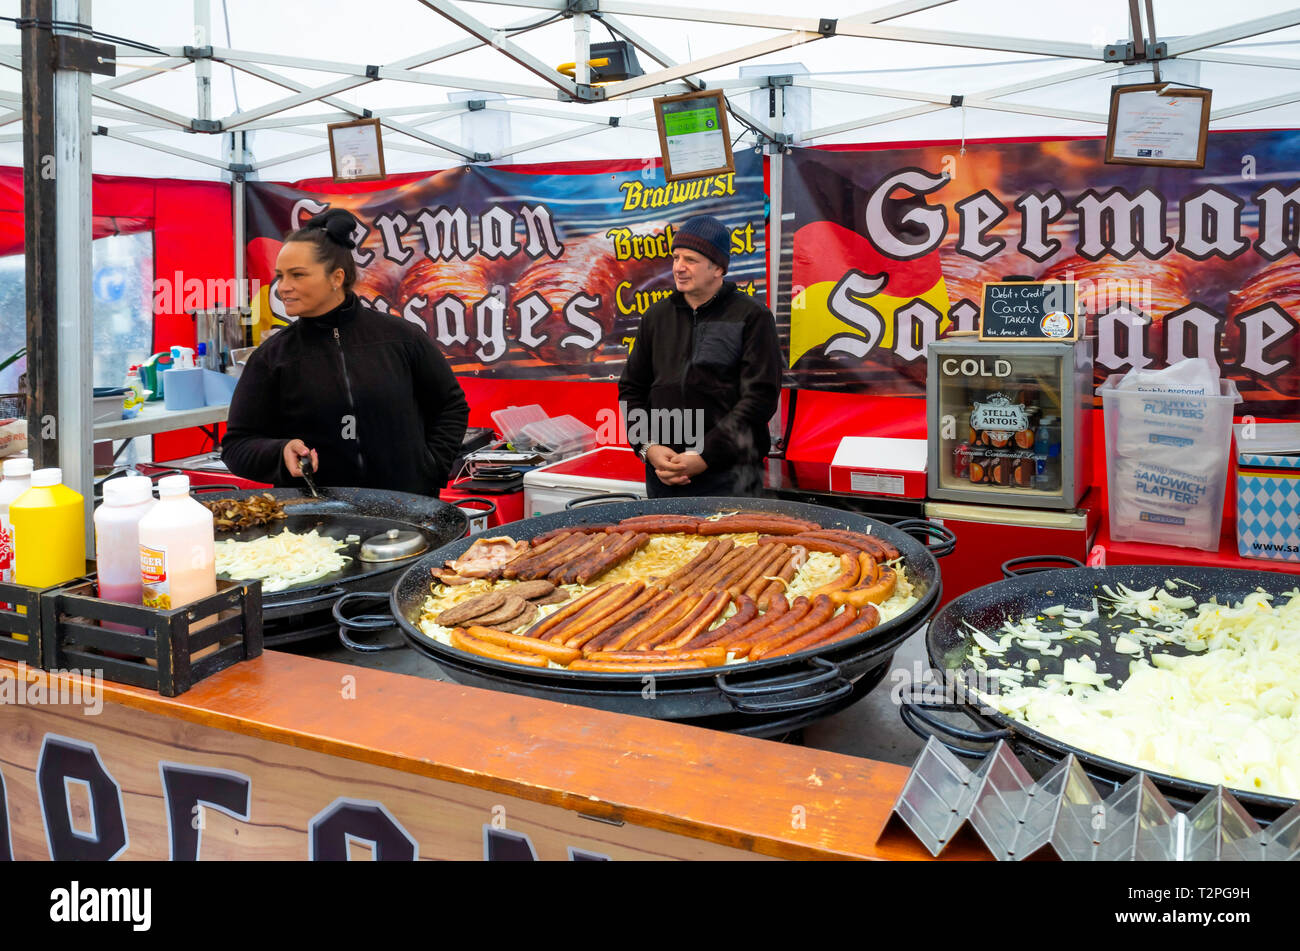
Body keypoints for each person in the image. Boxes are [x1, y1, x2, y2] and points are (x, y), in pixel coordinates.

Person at [222, 209, 469, 497]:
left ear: (336, 278)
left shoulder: (401, 337)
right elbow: (237, 444)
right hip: (315, 523)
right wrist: (279, 452)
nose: (283, 287)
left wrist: (430, 468)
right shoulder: (272, 357)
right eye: (280, 276)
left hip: (409, 513)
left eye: (297, 275)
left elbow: (451, 406)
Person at [618, 214, 782, 498]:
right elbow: (632, 389)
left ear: (718, 267)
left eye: (690, 260)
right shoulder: (656, 316)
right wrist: (647, 447)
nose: (679, 268)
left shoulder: (752, 316)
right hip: (664, 475)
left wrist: (705, 456)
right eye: (676, 258)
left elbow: (759, 398)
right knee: (664, 545)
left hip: (730, 477)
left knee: (733, 544)